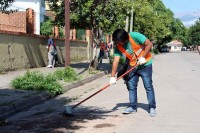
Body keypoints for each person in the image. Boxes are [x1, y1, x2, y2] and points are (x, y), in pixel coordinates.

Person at [109, 29, 156, 117]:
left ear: (125, 39)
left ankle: (152, 107)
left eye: (120, 42)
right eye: (117, 42)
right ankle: (133, 107)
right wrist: (112, 76)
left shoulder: (134, 36)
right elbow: (116, 61)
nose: (119, 44)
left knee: (148, 86)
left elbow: (149, 44)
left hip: (146, 64)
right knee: (131, 86)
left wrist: (143, 57)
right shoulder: (118, 46)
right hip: (133, 66)